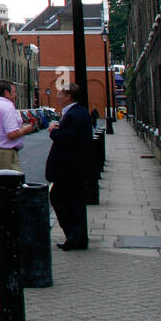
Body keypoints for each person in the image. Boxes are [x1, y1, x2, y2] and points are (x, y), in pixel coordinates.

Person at [47, 83, 92, 251]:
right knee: (73, 202)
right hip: (74, 168)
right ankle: (77, 237)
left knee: (61, 199)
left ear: (69, 97)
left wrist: (53, 131)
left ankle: (74, 235)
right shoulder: (77, 113)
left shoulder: (74, 114)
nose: (57, 96)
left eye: (60, 94)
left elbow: (68, 139)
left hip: (70, 169)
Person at [0, 80, 35, 171]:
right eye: (14, 92)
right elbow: (11, 134)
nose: (16, 95)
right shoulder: (7, 106)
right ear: (6, 93)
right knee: (13, 182)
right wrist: (26, 130)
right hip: (5, 153)